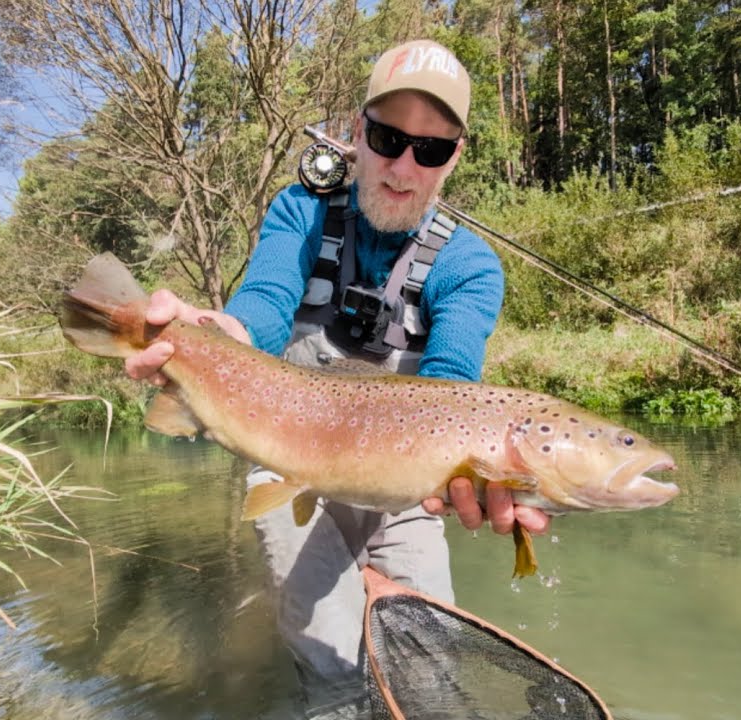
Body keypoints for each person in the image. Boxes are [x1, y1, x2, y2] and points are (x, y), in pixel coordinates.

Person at [123, 39, 550, 714]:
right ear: (357, 132)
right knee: (329, 666)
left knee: (432, 667)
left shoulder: (469, 264)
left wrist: (491, 466)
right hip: (292, 465)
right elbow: (262, 306)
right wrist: (219, 340)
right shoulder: (301, 212)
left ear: (455, 158)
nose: (404, 166)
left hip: (406, 486)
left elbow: (452, 383)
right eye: (387, 137)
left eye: (431, 150)